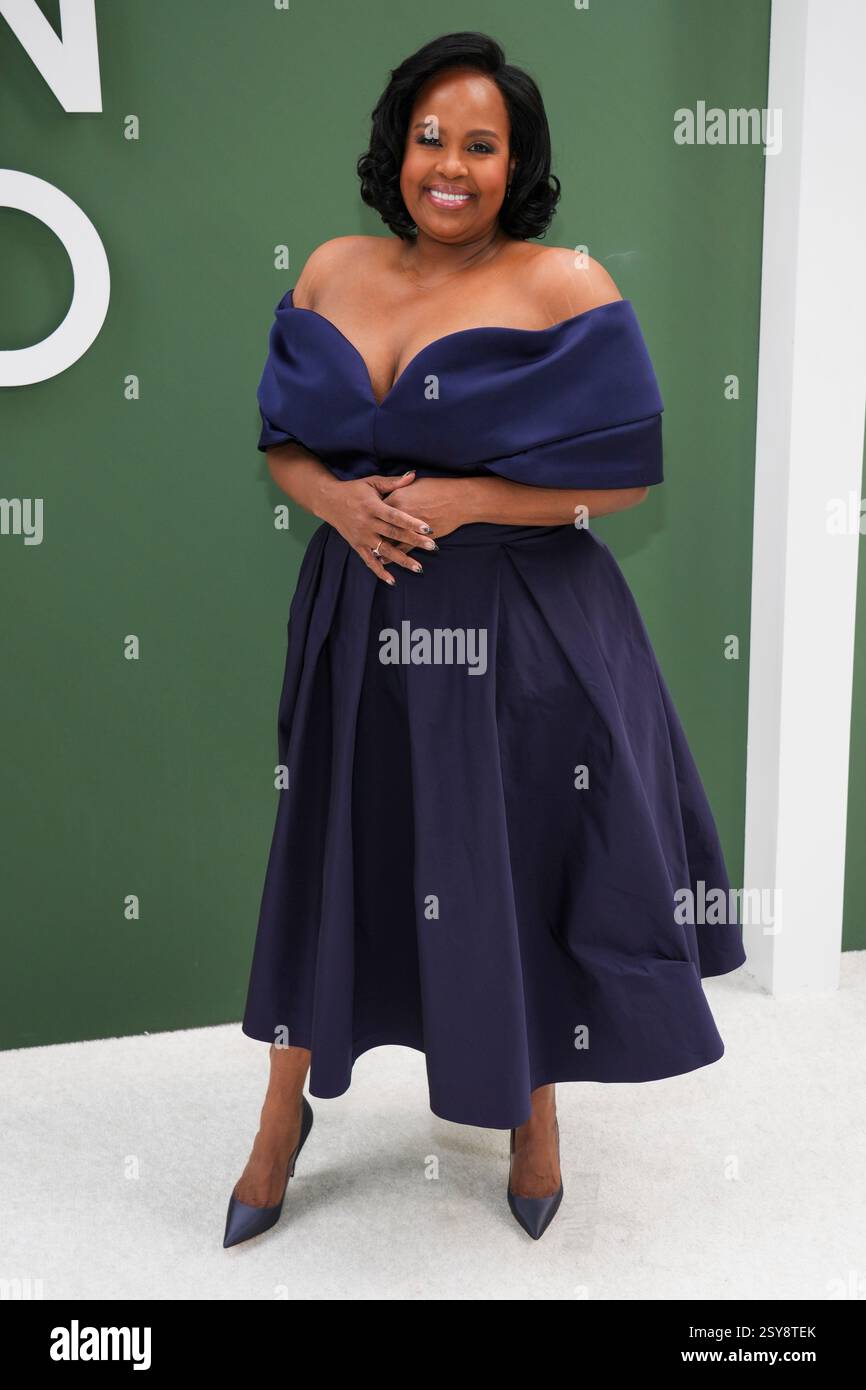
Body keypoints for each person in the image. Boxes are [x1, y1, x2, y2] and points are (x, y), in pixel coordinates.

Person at [224, 30, 746, 1248]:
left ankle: (533, 1115)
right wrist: (338, 502)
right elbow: (283, 441)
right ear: (394, 145)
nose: (448, 166)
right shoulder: (331, 267)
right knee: (330, 851)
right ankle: (276, 1117)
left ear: (516, 165)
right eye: (429, 138)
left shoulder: (562, 283)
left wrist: (469, 500)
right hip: (356, 616)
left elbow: (619, 481)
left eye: (480, 145)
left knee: (512, 856)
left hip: (516, 625)